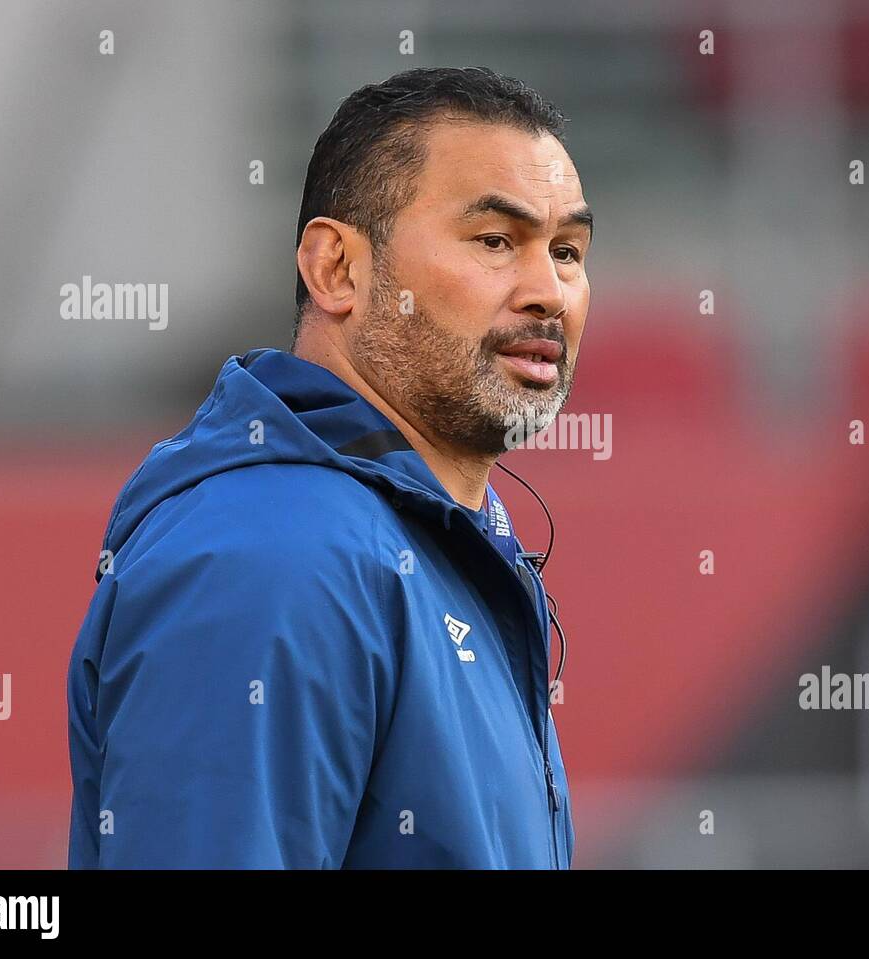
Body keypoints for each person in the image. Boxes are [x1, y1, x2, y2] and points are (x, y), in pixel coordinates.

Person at [66, 66, 593, 868]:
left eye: (567, 250)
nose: (549, 291)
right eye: (495, 240)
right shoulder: (271, 557)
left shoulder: (434, 538)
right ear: (338, 268)